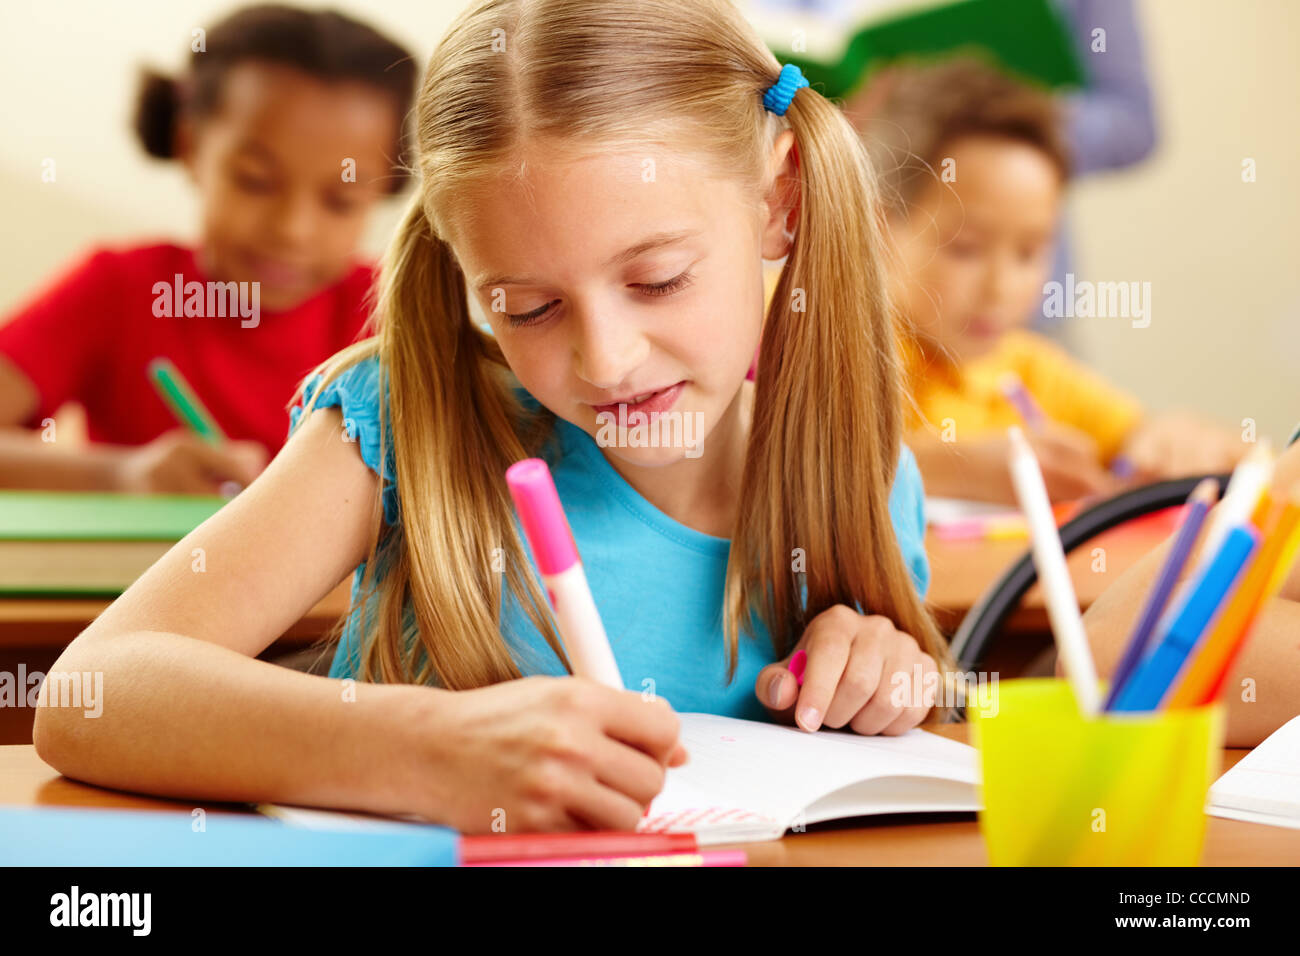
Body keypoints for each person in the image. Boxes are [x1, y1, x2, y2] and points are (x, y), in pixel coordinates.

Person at [37, 0, 952, 834]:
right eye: (526, 307)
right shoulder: (406, 427)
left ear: (778, 203)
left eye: (657, 279)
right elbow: (87, 692)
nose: (606, 359)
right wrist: (429, 748)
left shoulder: (864, 475)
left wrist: (886, 675)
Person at [0, 4, 416, 493]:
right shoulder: (121, 288)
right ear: (190, 147)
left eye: (340, 200)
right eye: (255, 182)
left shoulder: (400, 309)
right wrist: (121, 474)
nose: (293, 229)